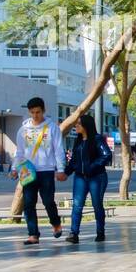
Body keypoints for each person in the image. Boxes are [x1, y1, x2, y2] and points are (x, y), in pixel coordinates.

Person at [9, 96, 66, 246]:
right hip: (28, 171)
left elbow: (59, 150)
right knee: (29, 203)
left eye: (38, 112)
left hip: (47, 171)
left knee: (48, 202)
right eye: (32, 112)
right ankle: (33, 234)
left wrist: (60, 169)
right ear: (29, 112)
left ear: (44, 110)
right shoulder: (23, 130)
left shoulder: (52, 128)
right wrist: (14, 168)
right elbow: (19, 152)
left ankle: (56, 224)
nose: (35, 115)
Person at [64, 114, 112, 243]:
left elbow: (106, 155)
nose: (76, 126)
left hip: (97, 177)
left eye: (79, 123)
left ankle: (100, 232)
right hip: (80, 177)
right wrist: (66, 173)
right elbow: (74, 161)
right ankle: (74, 234)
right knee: (77, 205)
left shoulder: (97, 139)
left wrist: (92, 166)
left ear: (86, 125)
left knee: (97, 205)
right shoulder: (78, 141)